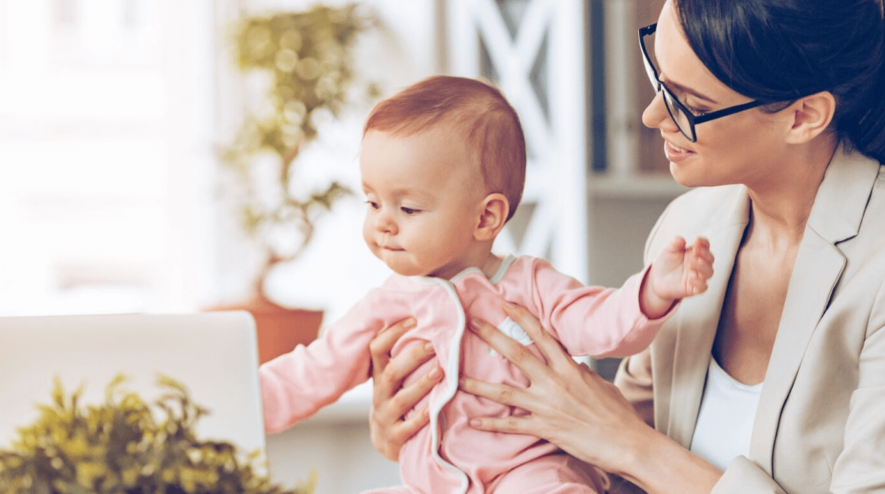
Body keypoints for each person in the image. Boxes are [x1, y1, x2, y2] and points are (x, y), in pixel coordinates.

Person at [367, 0, 885, 493]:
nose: (653, 116)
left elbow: (628, 445)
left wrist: (635, 446)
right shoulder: (691, 228)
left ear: (803, 116)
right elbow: (608, 467)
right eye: (659, 75)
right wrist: (441, 433)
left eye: (690, 103)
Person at [259, 75, 715, 493]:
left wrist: (655, 289)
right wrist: (232, 401)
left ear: (486, 217)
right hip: (432, 482)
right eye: (373, 202)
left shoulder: (532, 285)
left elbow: (607, 326)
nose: (383, 224)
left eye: (408, 209)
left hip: (531, 471)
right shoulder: (385, 307)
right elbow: (309, 373)